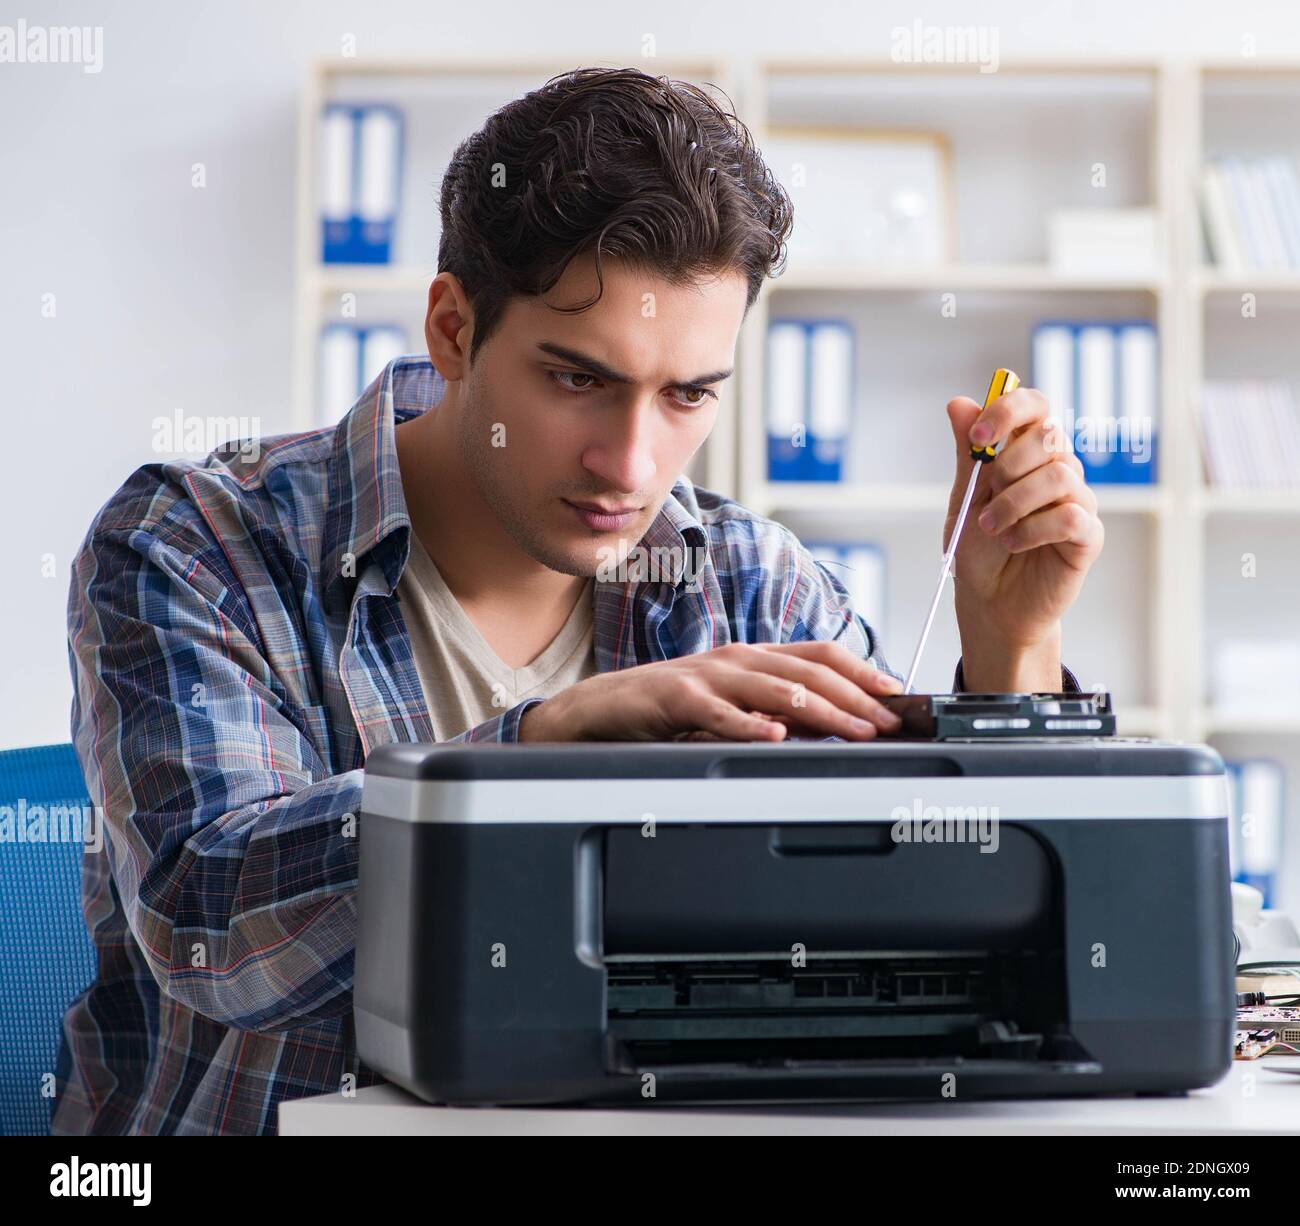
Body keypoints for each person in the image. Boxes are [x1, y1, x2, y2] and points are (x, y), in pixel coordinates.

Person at [56, 66, 1102, 1134]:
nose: (630, 462)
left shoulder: (749, 580)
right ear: (454, 329)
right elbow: (209, 931)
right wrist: (537, 752)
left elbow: (955, 940)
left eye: (688, 393)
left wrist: (1012, 642)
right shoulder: (196, 543)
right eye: (577, 379)